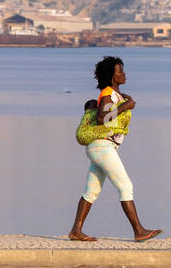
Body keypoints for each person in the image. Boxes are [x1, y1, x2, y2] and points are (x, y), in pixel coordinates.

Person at [68, 56, 162, 242]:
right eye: (120, 71)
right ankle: (139, 231)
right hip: (102, 146)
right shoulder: (108, 93)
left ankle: (76, 231)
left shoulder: (115, 94)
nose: (124, 73)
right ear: (112, 75)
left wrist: (126, 101)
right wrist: (126, 106)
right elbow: (102, 118)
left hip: (101, 147)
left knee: (91, 191)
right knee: (126, 186)